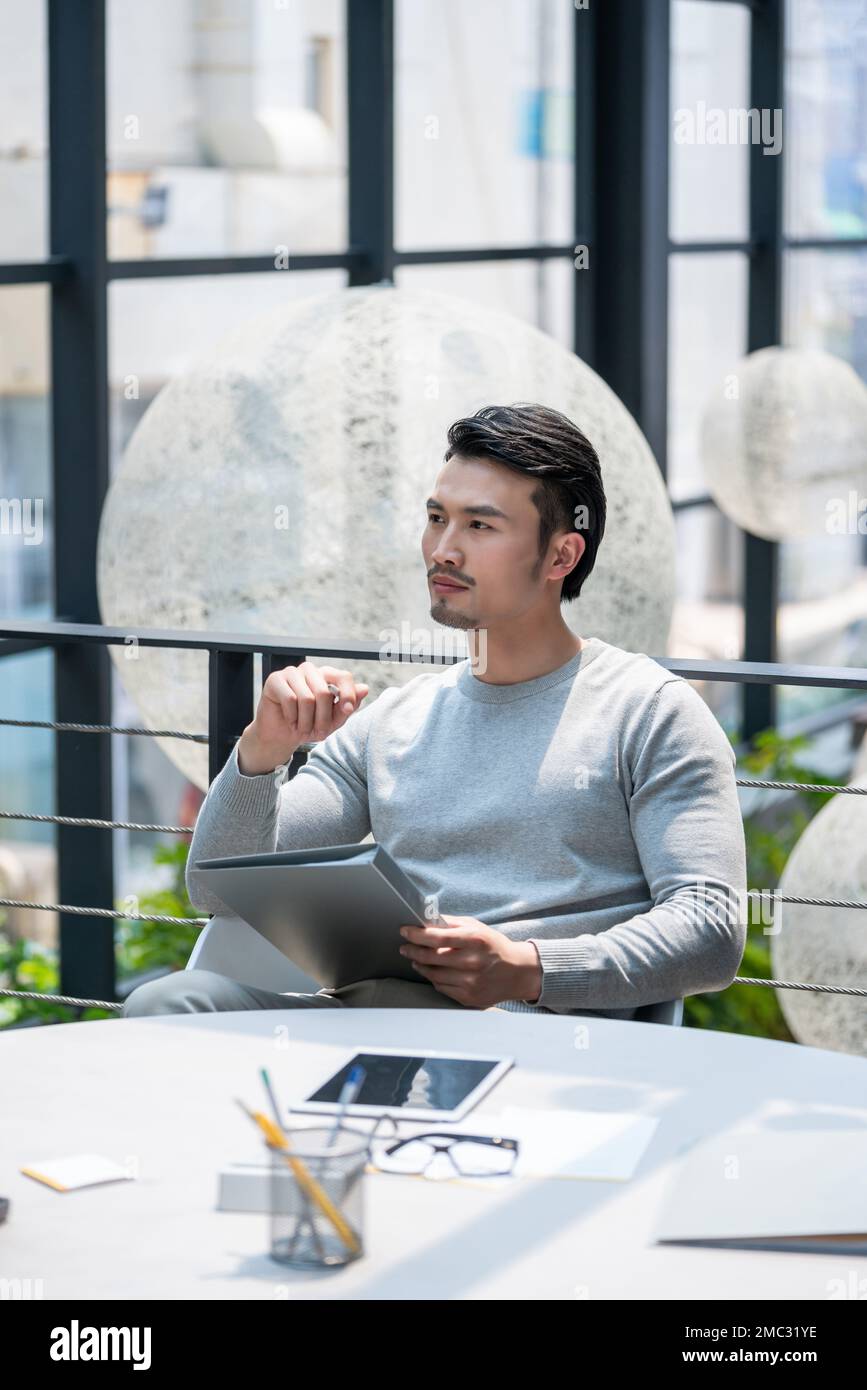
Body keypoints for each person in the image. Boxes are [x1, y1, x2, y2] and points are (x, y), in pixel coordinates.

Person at [122, 402, 747, 1020]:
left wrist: (529, 969)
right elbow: (214, 889)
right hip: (375, 1015)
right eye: (435, 518)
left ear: (561, 556)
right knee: (167, 1004)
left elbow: (711, 929)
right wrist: (263, 750)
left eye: (480, 526)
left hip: (539, 1048)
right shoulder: (393, 721)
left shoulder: (650, 713)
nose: (443, 550)